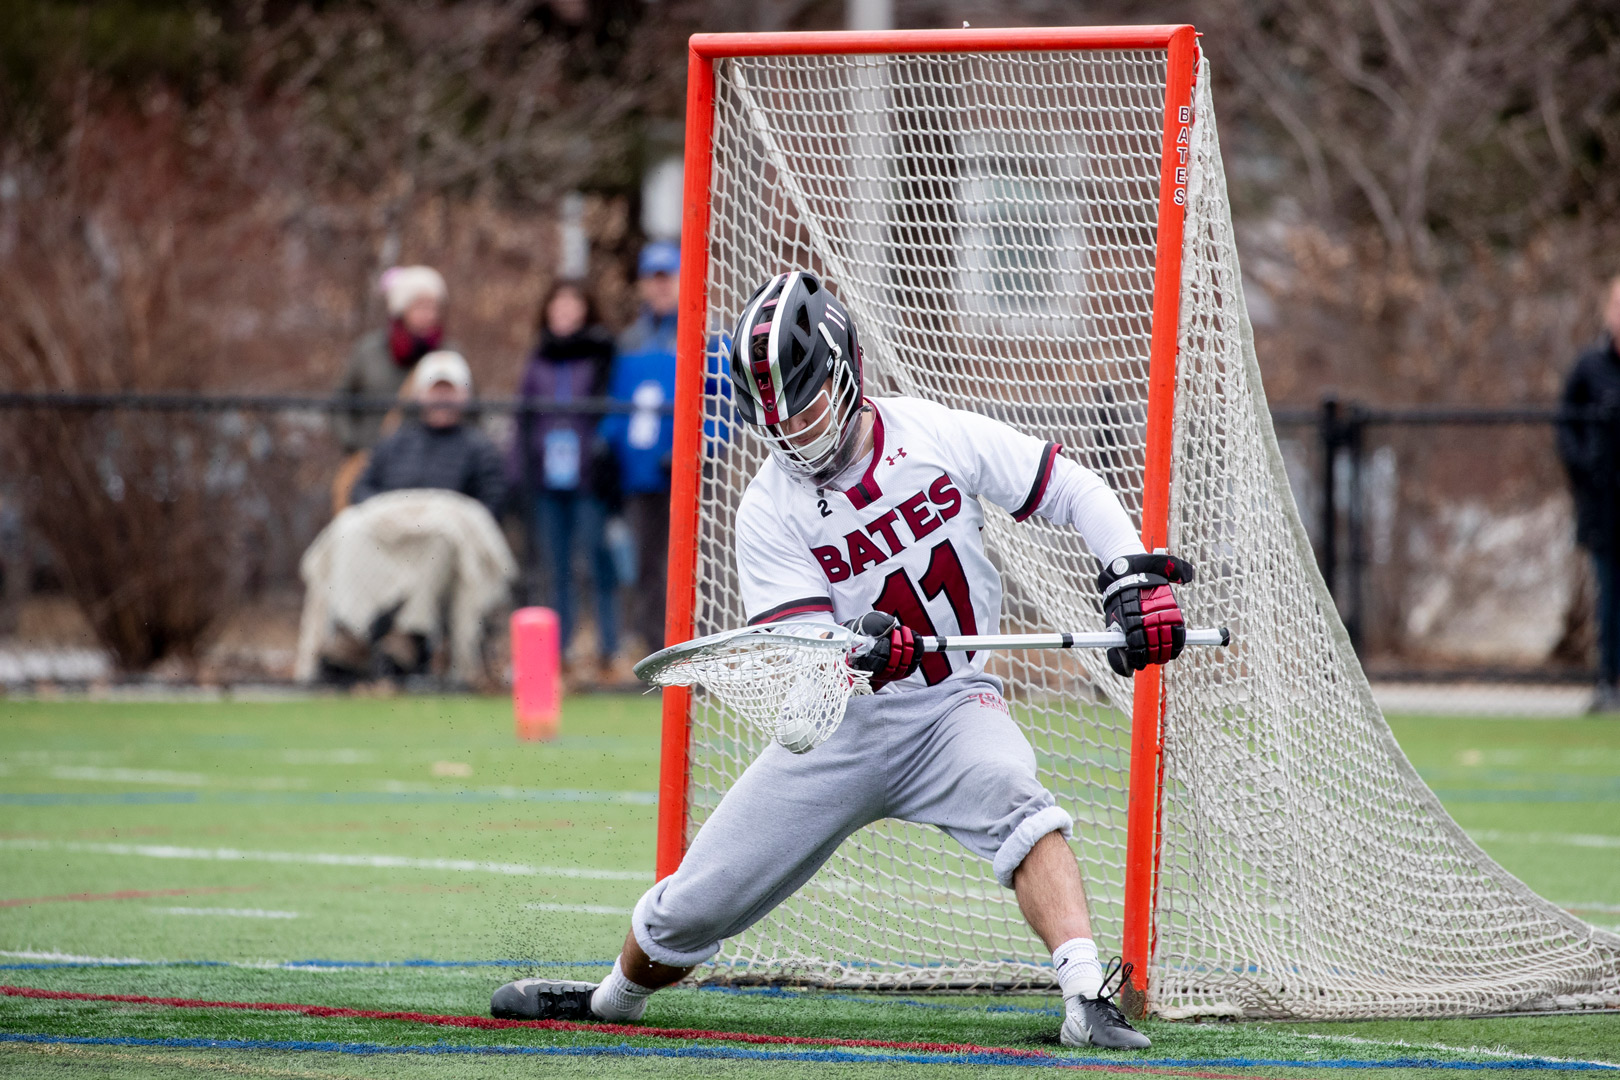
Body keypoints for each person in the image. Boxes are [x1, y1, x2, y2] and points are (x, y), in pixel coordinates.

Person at [490, 270, 1193, 1049]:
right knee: (691, 903)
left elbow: (1069, 486)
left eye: (805, 401)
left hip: (951, 707)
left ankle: (1086, 997)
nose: (791, 427)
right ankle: (611, 1001)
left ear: (845, 370)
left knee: (1018, 801)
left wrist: (1128, 574)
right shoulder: (768, 509)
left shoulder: (931, 434)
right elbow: (802, 659)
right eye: (773, 414)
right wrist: (856, 654)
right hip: (840, 731)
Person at [311, 350, 511, 682]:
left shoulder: (480, 449)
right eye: (436, 390)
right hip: (388, 540)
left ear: (464, 396)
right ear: (420, 394)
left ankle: (410, 635)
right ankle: (352, 632)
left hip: (440, 544)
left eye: (450, 390)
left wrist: (436, 515)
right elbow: (362, 490)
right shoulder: (393, 444)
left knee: (442, 534)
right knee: (349, 527)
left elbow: (489, 506)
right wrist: (394, 519)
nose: (442, 398)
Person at [512, 280, 621, 677]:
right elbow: (520, 421)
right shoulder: (537, 360)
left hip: (589, 479)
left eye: (572, 304)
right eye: (557, 304)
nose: (564, 312)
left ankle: (610, 649)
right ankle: (560, 652)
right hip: (546, 481)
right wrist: (517, 473)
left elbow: (611, 411)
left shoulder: (601, 356)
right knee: (554, 566)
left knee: (594, 560)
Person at [599, 242, 681, 653]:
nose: (661, 287)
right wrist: (606, 444)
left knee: (691, 564)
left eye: (668, 278)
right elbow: (619, 404)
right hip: (641, 473)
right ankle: (655, 647)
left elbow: (724, 406)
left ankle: (699, 647)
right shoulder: (632, 340)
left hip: (690, 473)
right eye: (654, 279)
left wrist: (703, 451)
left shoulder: (705, 334)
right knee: (646, 566)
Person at [1557, 275, 1620, 713]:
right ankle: (1608, 683)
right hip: (1605, 509)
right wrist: (1586, 471)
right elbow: (1565, 425)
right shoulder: (1589, 367)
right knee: (1609, 599)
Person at [335, 266, 451, 455]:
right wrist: (353, 442)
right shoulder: (369, 352)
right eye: (421, 306)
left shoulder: (448, 355)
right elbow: (341, 400)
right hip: (374, 460)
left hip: (434, 462)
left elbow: (472, 411)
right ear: (401, 309)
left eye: (434, 307)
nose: (429, 315)